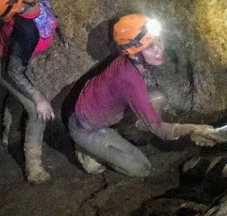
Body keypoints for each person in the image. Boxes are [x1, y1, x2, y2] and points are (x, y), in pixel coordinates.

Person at [68, 13, 214, 178]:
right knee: (141, 168)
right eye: (150, 47)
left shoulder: (129, 59)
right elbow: (161, 131)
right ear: (134, 54)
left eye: (158, 40)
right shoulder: (129, 81)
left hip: (103, 109)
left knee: (158, 98)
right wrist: (193, 129)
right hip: (85, 127)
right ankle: (86, 151)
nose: (159, 49)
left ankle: (124, 129)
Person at [0, 0, 60, 184]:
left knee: (19, 96)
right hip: (4, 62)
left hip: (20, 57)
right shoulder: (25, 32)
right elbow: (14, 72)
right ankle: (34, 168)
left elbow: (47, 10)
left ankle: (8, 135)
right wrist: (39, 99)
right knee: (36, 111)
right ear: (17, 7)